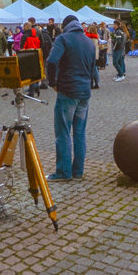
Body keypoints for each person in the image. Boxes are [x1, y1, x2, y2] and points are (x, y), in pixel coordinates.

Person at [45, 14, 96, 181]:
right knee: (79, 133)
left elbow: (51, 61)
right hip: (84, 92)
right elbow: (92, 68)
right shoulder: (89, 41)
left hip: (67, 91)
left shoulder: (63, 39)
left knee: (63, 132)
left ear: (66, 26)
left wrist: (52, 82)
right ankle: (78, 172)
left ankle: (63, 172)